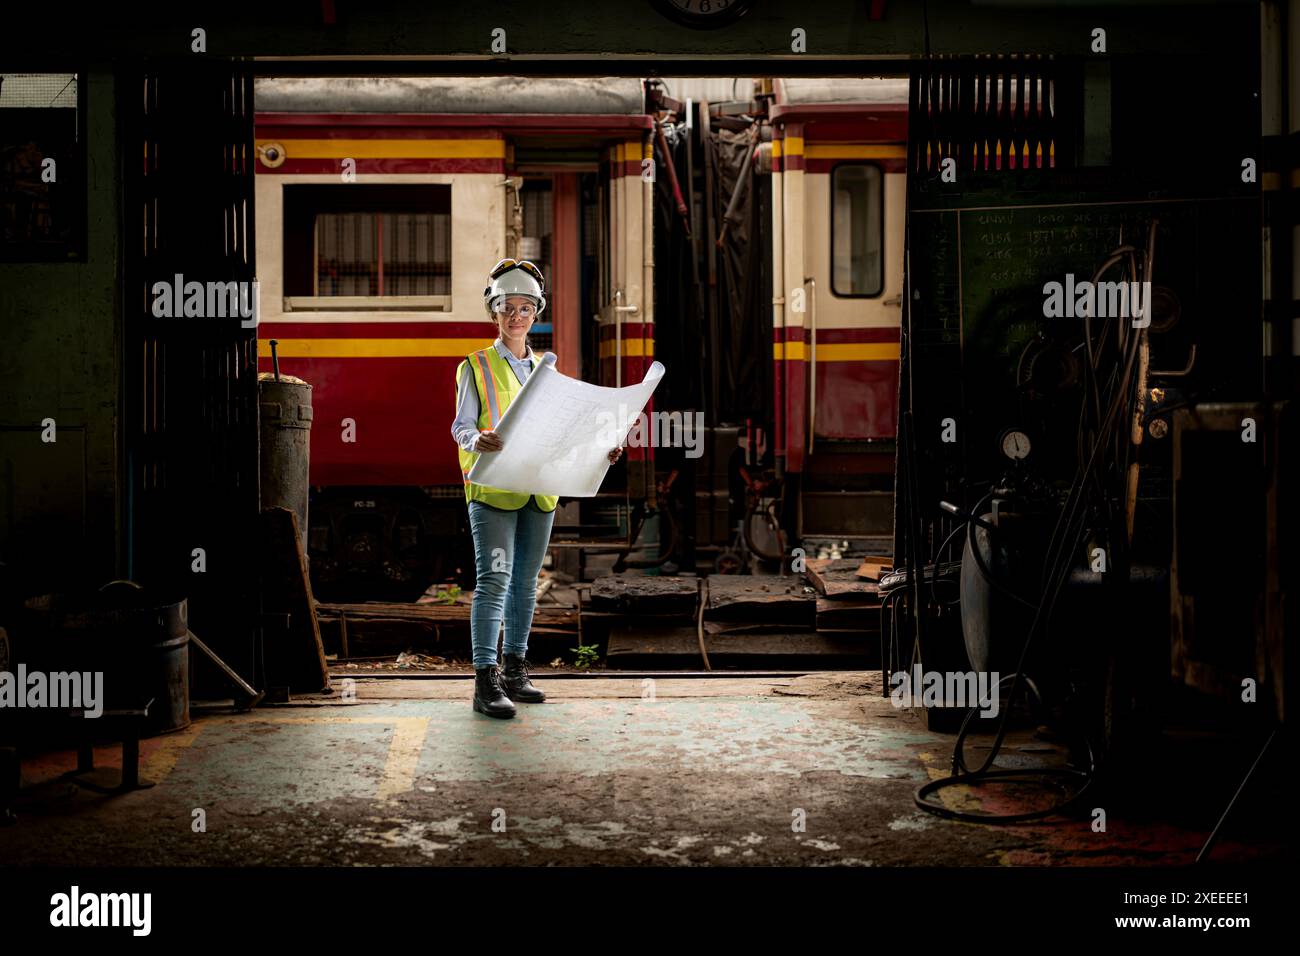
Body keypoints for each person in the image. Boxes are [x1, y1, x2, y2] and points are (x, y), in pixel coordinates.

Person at [451, 258, 623, 719]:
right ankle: (484, 681)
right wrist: (477, 439)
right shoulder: (475, 367)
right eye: (508, 306)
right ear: (494, 310)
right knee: (493, 581)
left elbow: (561, 435)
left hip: (538, 493)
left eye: (526, 307)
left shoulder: (545, 373)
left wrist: (599, 451)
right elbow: (460, 427)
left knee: (525, 584)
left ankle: (515, 669)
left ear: (536, 313)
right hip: (493, 492)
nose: (517, 315)